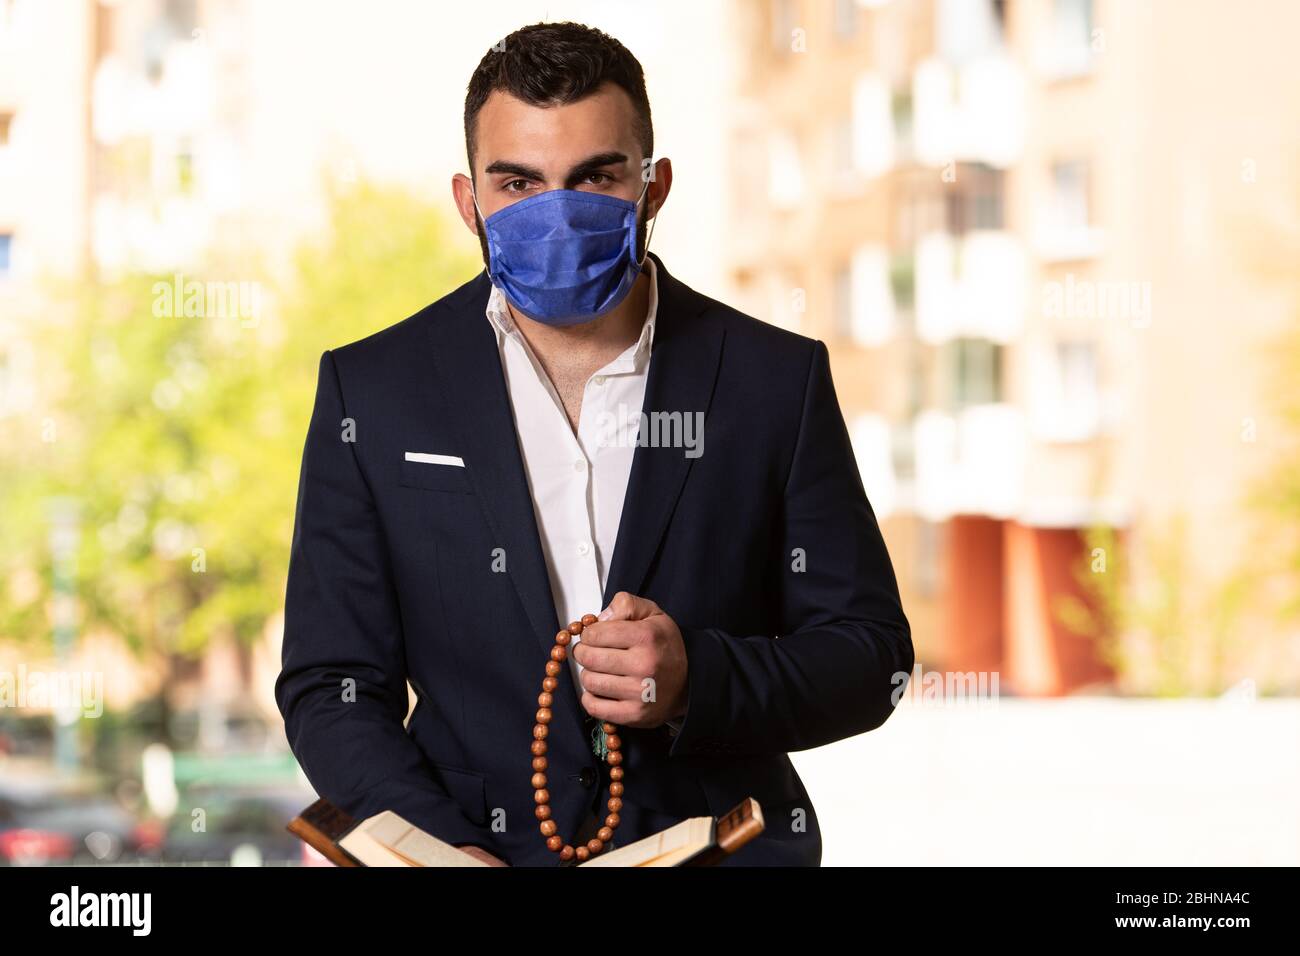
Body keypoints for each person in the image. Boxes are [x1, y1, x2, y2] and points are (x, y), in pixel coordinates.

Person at [275, 20, 912, 867]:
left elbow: (871, 659)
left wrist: (698, 681)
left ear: (654, 187)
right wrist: (450, 850)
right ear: (469, 201)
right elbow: (330, 686)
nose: (556, 214)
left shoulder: (773, 383)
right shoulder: (375, 390)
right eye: (518, 183)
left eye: (594, 177)